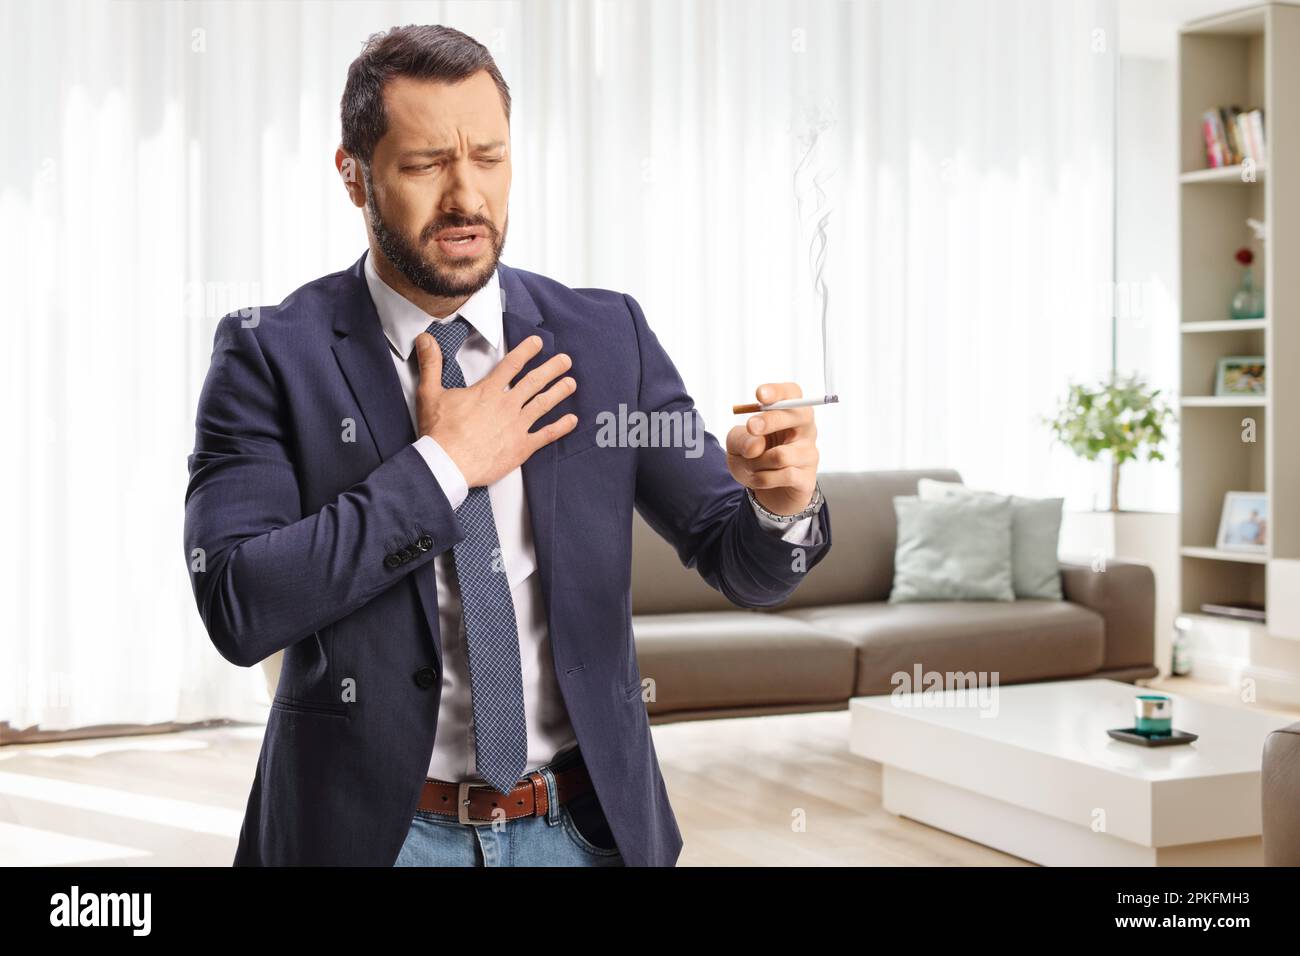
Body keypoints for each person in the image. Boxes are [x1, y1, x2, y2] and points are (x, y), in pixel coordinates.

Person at [183, 23, 831, 867]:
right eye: (424, 165)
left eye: (488, 158)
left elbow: (736, 559)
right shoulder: (271, 353)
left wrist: (781, 506)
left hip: (585, 831)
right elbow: (238, 602)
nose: (465, 198)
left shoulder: (607, 338)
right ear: (353, 175)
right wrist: (442, 466)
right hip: (373, 838)